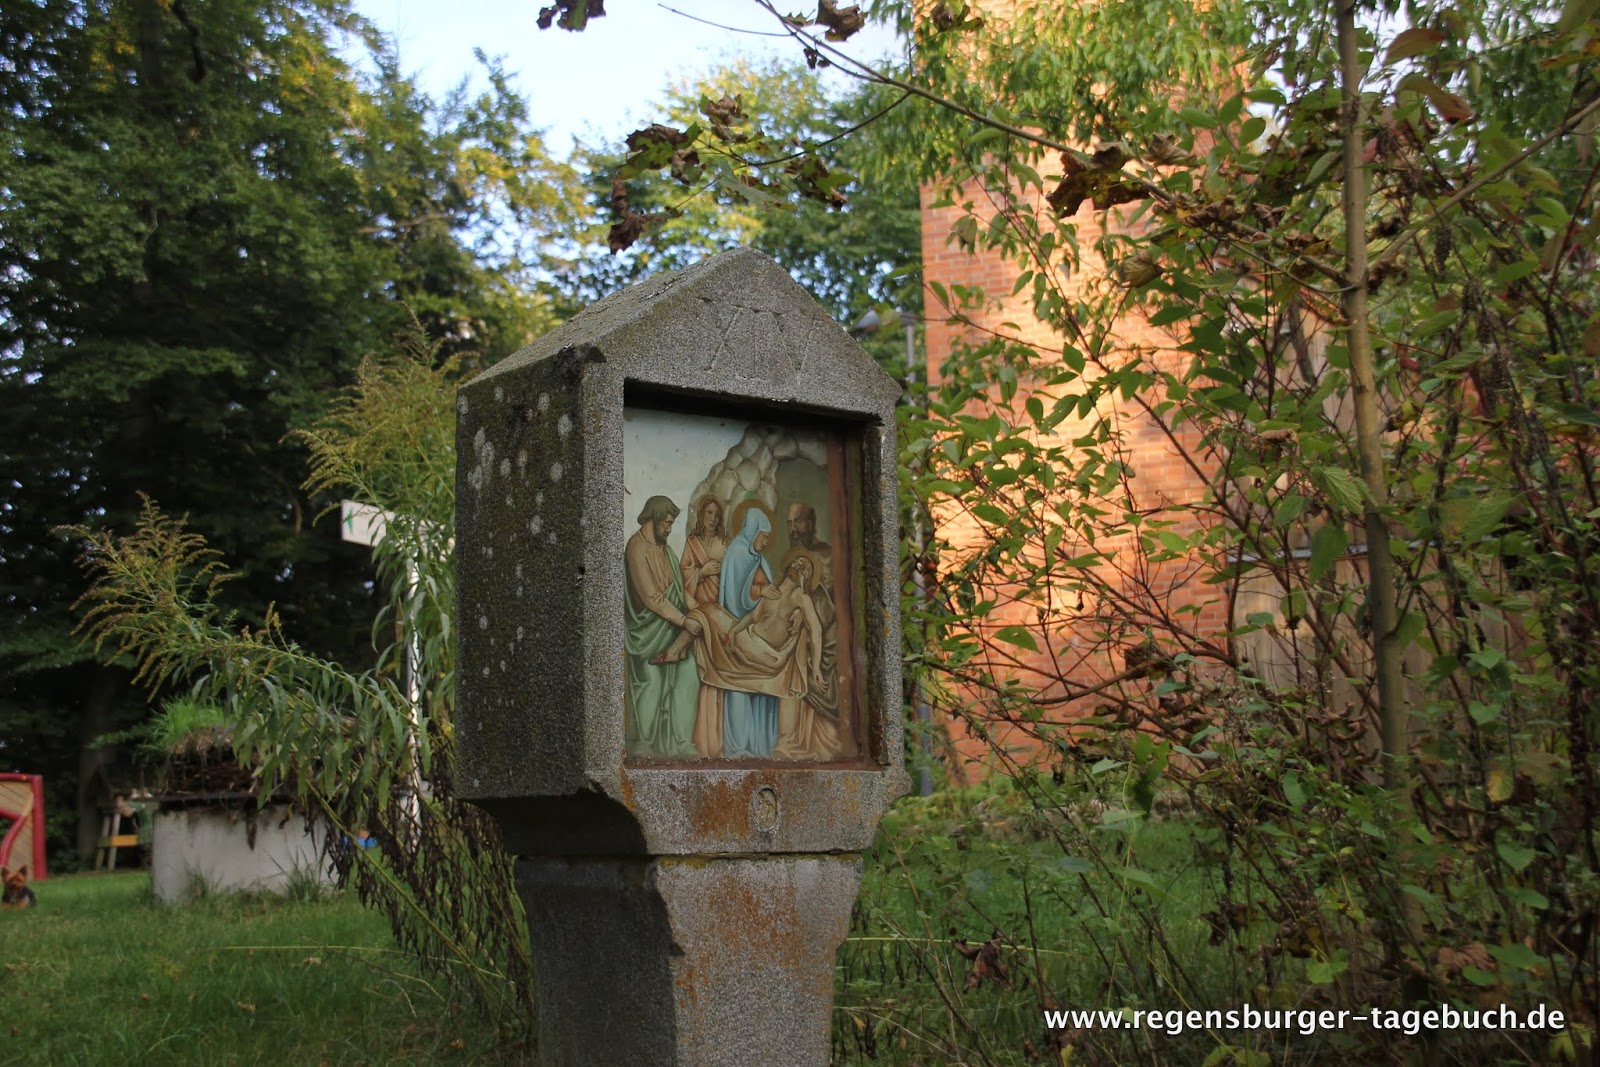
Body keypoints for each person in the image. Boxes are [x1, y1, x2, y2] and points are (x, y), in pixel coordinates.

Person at [623, 495, 700, 759]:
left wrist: (697, 611)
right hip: (646, 634)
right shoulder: (636, 548)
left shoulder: (666, 550)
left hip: (671, 630)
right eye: (667, 523)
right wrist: (683, 620)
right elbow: (651, 598)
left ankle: (681, 743)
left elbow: (677, 591)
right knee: (651, 680)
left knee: (689, 674)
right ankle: (644, 742)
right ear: (653, 519)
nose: (669, 528)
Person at [718, 506, 778, 757]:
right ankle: (739, 746)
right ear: (752, 530)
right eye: (763, 536)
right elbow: (736, 596)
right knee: (739, 686)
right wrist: (759, 593)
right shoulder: (736, 554)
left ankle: (761, 746)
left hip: (759, 632)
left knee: (765, 686)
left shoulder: (757, 557)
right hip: (738, 627)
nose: (765, 542)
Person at [681, 497, 728, 757]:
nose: (713, 518)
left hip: (721, 614)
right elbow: (683, 579)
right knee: (706, 674)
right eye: (709, 513)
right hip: (700, 611)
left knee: (721, 672)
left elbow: (734, 577)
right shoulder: (692, 544)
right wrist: (702, 572)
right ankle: (704, 739)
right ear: (702, 514)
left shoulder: (725, 544)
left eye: (717, 514)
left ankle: (719, 740)